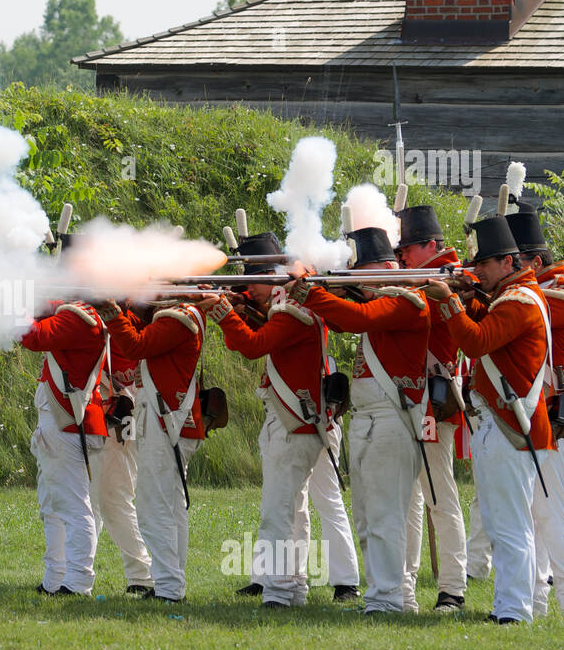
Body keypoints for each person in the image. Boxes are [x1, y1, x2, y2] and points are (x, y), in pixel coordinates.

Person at [200, 230, 360, 607]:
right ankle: (293, 586)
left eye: (250, 282)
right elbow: (256, 338)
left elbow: (253, 346)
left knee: (279, 513)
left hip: (294, 425)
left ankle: (279, 592)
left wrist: (224, 314)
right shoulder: (286, 306)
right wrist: (238, 310)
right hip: (304, 420)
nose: (248, 289)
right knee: (296, 511)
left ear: (271, 276)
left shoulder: (289, 311)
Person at [292, 225, 432, 615]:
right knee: (370, 516)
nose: (357, 281)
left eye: (361, 272)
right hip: (370, 419)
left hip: (392, 418)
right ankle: (389, 595)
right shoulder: (382, 301)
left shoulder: (407, 299)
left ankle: (387, 599)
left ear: (384, 267)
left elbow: (357, 318)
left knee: (386, 515)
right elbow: (343, 318)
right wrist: (321, 294)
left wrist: (313, 292)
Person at [424, 215, 555, 624]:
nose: (478, 269)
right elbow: (489, 324)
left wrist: (447, 301)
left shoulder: (518, 301)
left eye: (486, 263)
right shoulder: (514, 297)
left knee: (507, 525)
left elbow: (476, 340)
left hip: (508, 426)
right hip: (505, 424)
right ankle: (527, 602)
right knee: (509, 523)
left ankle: (514, 610)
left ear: (509, 263)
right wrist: (467, 298)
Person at [506, 204, 564, 616]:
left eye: (514, 262)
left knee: (551, 509)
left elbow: (539, 307)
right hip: (539, 416)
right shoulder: (531, 294)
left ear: (535, 262)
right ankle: (537, 598)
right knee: (535, 510)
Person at [100, 298, 205, 603]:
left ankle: (170, 587)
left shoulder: (177, 317)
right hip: (165, 419)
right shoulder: (175, 314)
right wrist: (131, 309)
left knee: (154, 507)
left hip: (165, 421)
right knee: (170, 507)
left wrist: (112, 312)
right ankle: (170, 582)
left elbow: (134, 346)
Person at [394, 205, 470, 613]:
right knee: (407, 499)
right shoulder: (418, 276)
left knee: (440, 496)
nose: (403, 255)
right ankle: (403, 587)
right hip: (407, 398)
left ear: (429, 245)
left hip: (434, 400)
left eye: (408, 247)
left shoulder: (451, 276)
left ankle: (452, 589)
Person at [20, 301, 110, 596]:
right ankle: (55, 578)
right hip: (64, 422)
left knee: (73, 507)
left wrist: (15, 305)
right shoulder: (75, 313)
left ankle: (77, 582)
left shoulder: (76, 317)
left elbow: (33, 337)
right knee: (53, 506)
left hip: (67, 422)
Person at [89, 302, 156, 596]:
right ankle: (72, 569)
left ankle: (142, 575)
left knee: (112, 495)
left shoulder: (129, 314)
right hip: (102, 406)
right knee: (93, 496)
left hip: (119, 408)